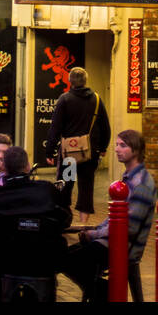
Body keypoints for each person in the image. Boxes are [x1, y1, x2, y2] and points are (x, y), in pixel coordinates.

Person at [61, 130, 157, 300]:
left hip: (122, 247)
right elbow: (116, 216)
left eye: (123, 145)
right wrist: (94, 229)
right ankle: (96, 290)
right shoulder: (129, 177)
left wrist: (94, 234)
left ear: (135, 150)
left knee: (69, 261)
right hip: (111, 241)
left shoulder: (141, 183)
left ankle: (102, 291)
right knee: (64, 255)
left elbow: (128, 228)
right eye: (116, 145)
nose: (117, 149)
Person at [0, 146, 71, 283]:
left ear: (3, 167)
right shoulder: (47, 190)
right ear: (28, 166)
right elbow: (66, 219)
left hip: (5, 262)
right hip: (46, 262)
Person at [44, 66, 110, 225]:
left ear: (70, 81)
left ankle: (64, 220)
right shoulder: (96, 99)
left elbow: (55, 127)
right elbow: (105, 126)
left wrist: (50, 152)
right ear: (85, 81)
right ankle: (83, 224)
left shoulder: (64, 99)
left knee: (65, 184)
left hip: (69, 154)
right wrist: (102, 147)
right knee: (87, 186)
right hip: (89, 152)